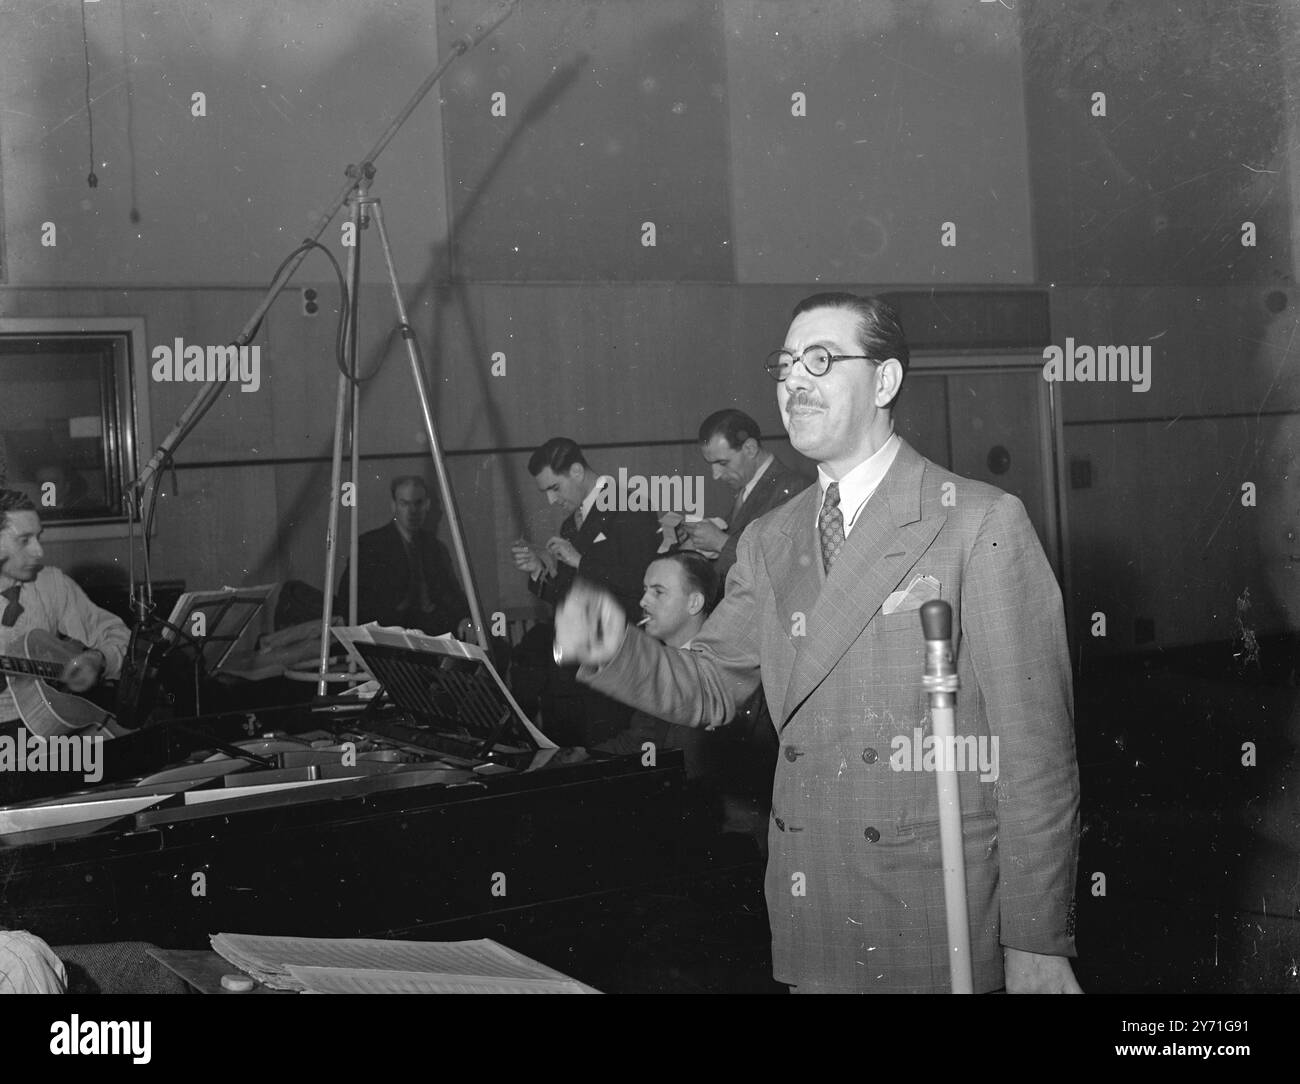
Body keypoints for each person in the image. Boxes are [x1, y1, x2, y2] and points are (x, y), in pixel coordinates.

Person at [556, 293, 1081, 994]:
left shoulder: (977, 521)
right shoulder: (771, 538)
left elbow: (1036, 756)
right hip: (814, 900)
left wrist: (1037, 941)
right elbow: (712, 685)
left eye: (821, 360)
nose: (793, 382)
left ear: (886, 382)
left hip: (934, 908)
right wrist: (613, 648)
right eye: (784, 365)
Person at [509, 438, 661, 747]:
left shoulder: (630, 504)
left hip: (616, 659)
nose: (551, 500)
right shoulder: (571, 524)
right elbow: (572, 597)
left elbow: (640, 582)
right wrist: (539, 571)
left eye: (555, 488)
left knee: (607, 751)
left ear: (576, 471)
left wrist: (581, 561)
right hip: (576, 665)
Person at [0, 489, 128, 728]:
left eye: (39, 537)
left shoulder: (52, 584)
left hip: (58, 727)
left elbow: (119, 635)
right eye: (24, 540)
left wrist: (98, 660)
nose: (39, 551)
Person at [592, 551, 719, 780]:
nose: (643, 601)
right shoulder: (663, 662)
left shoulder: (722, 668)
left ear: (694, 603)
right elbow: (638, 741)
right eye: (645, 590)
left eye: (658, 592)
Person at [683, 409, 811, 579]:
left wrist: (720, 542)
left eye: (722, 463)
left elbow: (781, 564)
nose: (715, 475)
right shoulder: (748, 488)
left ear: (750, 448)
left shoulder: (794, 488)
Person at [336, 476, 470, 637]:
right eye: (405, 504)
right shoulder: (370, 545)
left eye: (418, 503)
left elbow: (451, 594)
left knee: (492, 647)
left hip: (435, 631)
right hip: (391, 634)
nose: (412, 511)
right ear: (393, 506)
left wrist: (464, 619)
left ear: (427, 505)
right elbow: (352, 602)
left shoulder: (434, 547)